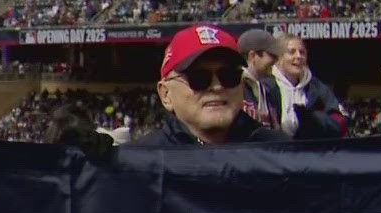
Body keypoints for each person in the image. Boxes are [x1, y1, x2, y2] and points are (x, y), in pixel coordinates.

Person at [138, 25, 288, 147]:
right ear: (166, 94)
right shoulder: (139, 162)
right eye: (199, 78)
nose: (217, 87)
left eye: (228, 76)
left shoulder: (279, 152)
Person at [262, 34, 348, 140]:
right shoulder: (265, 87)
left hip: (310, 147)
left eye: (302, 52)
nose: (298, 56)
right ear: (278, 58)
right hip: (275, 147)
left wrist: (314, 118)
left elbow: (340, 122)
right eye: (292, 52)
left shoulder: (316, 87)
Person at [237, 28, 284, 131]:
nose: (276, 60)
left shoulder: (269, 88)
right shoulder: (234, 86)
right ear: (253, 56)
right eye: (272, 55)